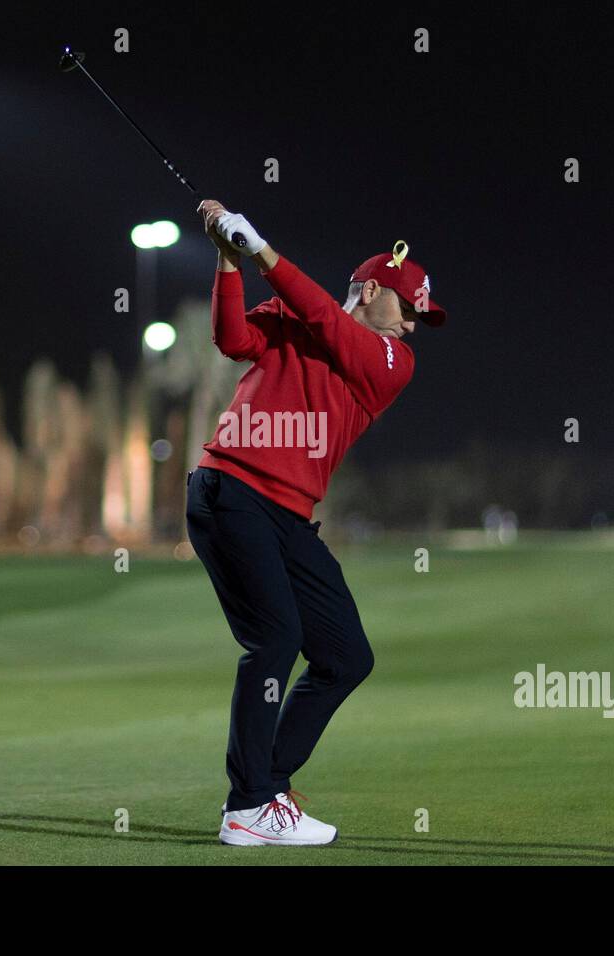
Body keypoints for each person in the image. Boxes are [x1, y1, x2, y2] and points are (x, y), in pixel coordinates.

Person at [186, 199, 447, 846]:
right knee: (274, 641)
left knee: (344, 656)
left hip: (286, 514)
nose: (413, 325)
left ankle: (266, 785)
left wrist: (262, 251)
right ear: (369, 289)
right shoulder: (298, 316)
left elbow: (327, 321)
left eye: (420, 316)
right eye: (409, 307)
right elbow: (232, 340)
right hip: (233, 493)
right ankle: (248, 807)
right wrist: (227, 259)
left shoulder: (391, 363)